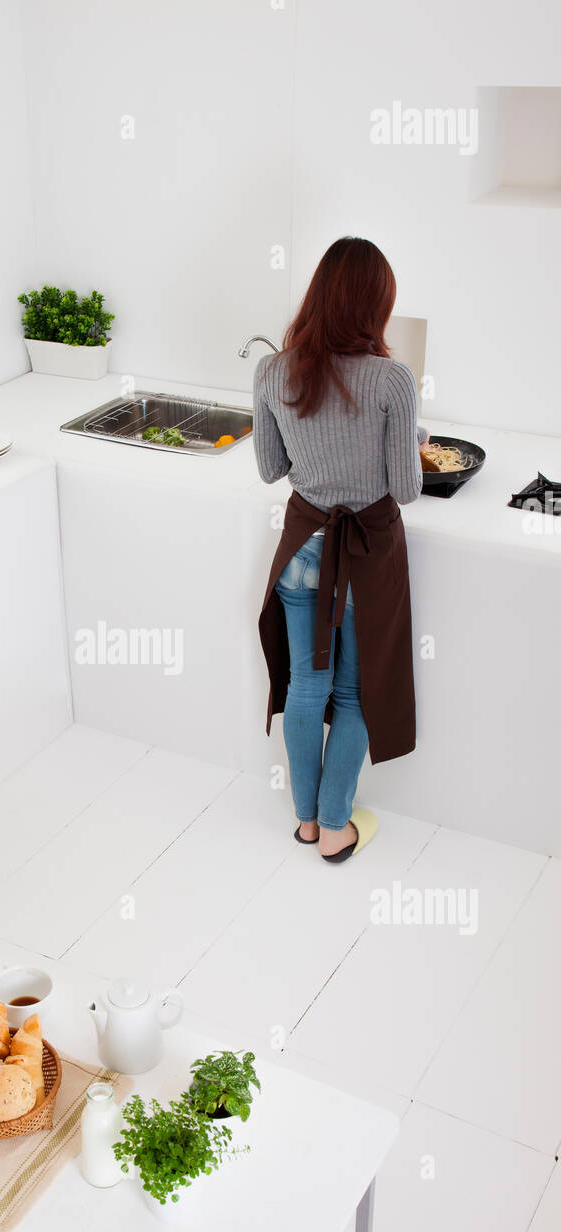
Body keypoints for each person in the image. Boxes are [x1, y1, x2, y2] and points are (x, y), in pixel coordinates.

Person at [255, 236, 426, 864]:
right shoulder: (393, 380)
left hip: (302, 548)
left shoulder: (272, 369)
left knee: (306, 684)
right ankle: (335, 826)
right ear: (375, 306)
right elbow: (405, 489)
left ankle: (306, 822)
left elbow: (272, 468)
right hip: (364, 557)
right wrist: (411, 439)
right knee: (355, 692)